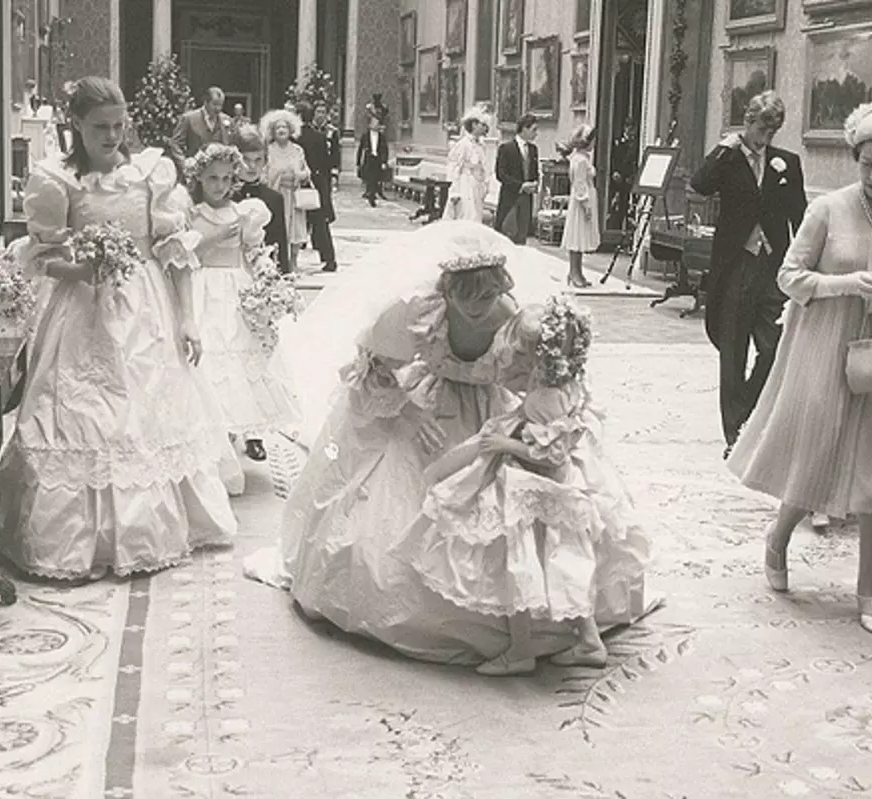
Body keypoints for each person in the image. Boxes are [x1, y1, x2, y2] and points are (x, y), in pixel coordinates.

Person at [243, 221, 652, 664]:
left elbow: (542, 376)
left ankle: (545, 613)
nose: (478, 309)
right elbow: (372, 366)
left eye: (487, 297)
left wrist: (536, 423)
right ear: (448, 289)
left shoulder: (515, 317)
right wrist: (410, 412)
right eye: (467, 299)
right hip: (428, 406)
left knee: (521, 515)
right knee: (388, 517)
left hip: (493, 412)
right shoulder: (420, 310)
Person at [0, 76, 238, 580]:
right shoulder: (57, 181)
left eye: (119, 125)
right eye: (100, 126)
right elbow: (41, 258)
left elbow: (176, 253)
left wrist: (189, 318)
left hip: (145, 311)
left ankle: (150, 527)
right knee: (79, 415)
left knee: (145, 412)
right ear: (76, 125)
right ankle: (74, 539)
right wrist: (81, 269)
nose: (111, 135)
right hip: (81, 313)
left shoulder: (150, 175)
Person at [727, 102, 872, 633]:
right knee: (816, 457)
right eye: (866, 165)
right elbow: (789, 276)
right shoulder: (829, 208)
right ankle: (779, 535)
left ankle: (867, 591)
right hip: (825, 346)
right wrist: (848, 285)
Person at [407, 294, 649, 675]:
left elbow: (552, 453)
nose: (516, 361)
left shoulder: (544, 398)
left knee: (518, 564)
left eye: (522, 355)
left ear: (541, 358)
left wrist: (507, 443)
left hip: (533, 486)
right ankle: (588, 640)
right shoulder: (567, 383)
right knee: (564, 565)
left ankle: (520, 650)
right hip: (556, 488)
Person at [689, 90, 808, 458]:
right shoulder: (727, 159)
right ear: (748, 122)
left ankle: (747, 410)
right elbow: (700, 184)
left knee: (773, 347)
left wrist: (803, 261)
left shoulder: (787, 162)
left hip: (773, 266)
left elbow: (800, 216)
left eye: (773, 132)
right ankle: (734, 435)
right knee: (733, 352)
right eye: (761, 129)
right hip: (737, 264)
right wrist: (725, 148)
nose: (766, 138)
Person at [185, 143, 301, 468]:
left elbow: (253, 252)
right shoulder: (192, 215)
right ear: (199, 179)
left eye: (225, 178)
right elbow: (187, 253)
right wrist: (218, 233)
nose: (220, 186)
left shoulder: (245, 212)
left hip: (236, 290)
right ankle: (212, 438)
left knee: (241, 356)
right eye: (212, 179)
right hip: (202, 289)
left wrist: (266, 280)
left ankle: (247, 432)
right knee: (209, 357)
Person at [230, 124, 290, 274]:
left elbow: (279, 246)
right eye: (246, 159)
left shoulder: (274, 199)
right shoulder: (225, 197)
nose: (252, 166)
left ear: (265, 161)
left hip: (262, 274)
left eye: (258, 160)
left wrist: (283, 279)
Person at [259, 108, 311, 272]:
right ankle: (276, 262)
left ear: (291, 130)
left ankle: (294, 262)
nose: (281, 130)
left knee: (296, 230)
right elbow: (263, 174)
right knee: (277, 229)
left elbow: (306, 171)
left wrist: (299, 174)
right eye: (277, 128)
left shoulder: (297, 150)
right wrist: (279, 175)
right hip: (277, 195)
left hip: (294, 196)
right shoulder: (269, 150)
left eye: (285, 127)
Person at [294, 102, 337, 273]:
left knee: (293, 222)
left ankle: (287, 258)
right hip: (316, 185)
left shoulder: (292, 138)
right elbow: (326, 165)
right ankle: (329, 259)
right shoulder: (319, 137)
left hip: (297, 184)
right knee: (320, 224)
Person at [558, 124, 601, 288]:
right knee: (577, 237)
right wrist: (586, 205)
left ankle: (577, 271)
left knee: (580, 238)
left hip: (585, 198)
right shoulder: (581, 160)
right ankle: (574, 272)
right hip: (582, 201)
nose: (594, 144)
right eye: (592, 141)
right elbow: (579, 184)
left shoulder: (580, 158)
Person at [495, 114, 540, 244]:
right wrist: (520, 185)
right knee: (508, 233)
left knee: (522, 233)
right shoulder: (506, 148)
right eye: (534, 130)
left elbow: (534, 171)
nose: (536, 134)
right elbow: (501, 174)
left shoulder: (533, 149)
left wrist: (535, 183)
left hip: (526, 198)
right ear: (524, 129)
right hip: (511, 197)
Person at [443, 105, 492, 223]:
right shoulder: (463, 144)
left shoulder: (482, 146)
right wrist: (454, 191)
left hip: (477, 186)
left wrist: (485, 184)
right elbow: (454, 167)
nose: (485, 128)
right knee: (466, 216)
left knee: (476, 216)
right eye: (483, 125)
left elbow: (484, 167)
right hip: (465, 185)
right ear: (474, 125)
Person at [172, 86, 232, 158]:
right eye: (215, 104)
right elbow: (175, 144)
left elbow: (233, 144)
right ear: (205, 102)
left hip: (221, 167)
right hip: (196, 167)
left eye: (220, 105)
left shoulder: (227, 120)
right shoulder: (189, 118)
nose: (218, 108)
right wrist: (184, 163)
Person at [608, 120, 639, 231]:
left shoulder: (637, 143)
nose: (630, 130)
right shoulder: (618, 142)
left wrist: (633, 175)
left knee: (629, 208)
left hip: (630, 179)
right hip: (619, 178)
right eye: (627, 127)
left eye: (632, 127)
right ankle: (614, 229)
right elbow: (613, 158)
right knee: (617, 207)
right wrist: (614, 171)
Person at [356, 114, 388, 208]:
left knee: (375, 178)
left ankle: (372, 194)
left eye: (377, 123)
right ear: (370, 124)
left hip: (377, 159)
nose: (376, 125)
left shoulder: (382, 137)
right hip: (368, 159)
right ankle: (371, 196)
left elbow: (385, 150)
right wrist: (358, 162)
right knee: (370, 178)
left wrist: (384, 162)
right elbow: (360, 149)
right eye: (374, 123)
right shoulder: (365, 136)